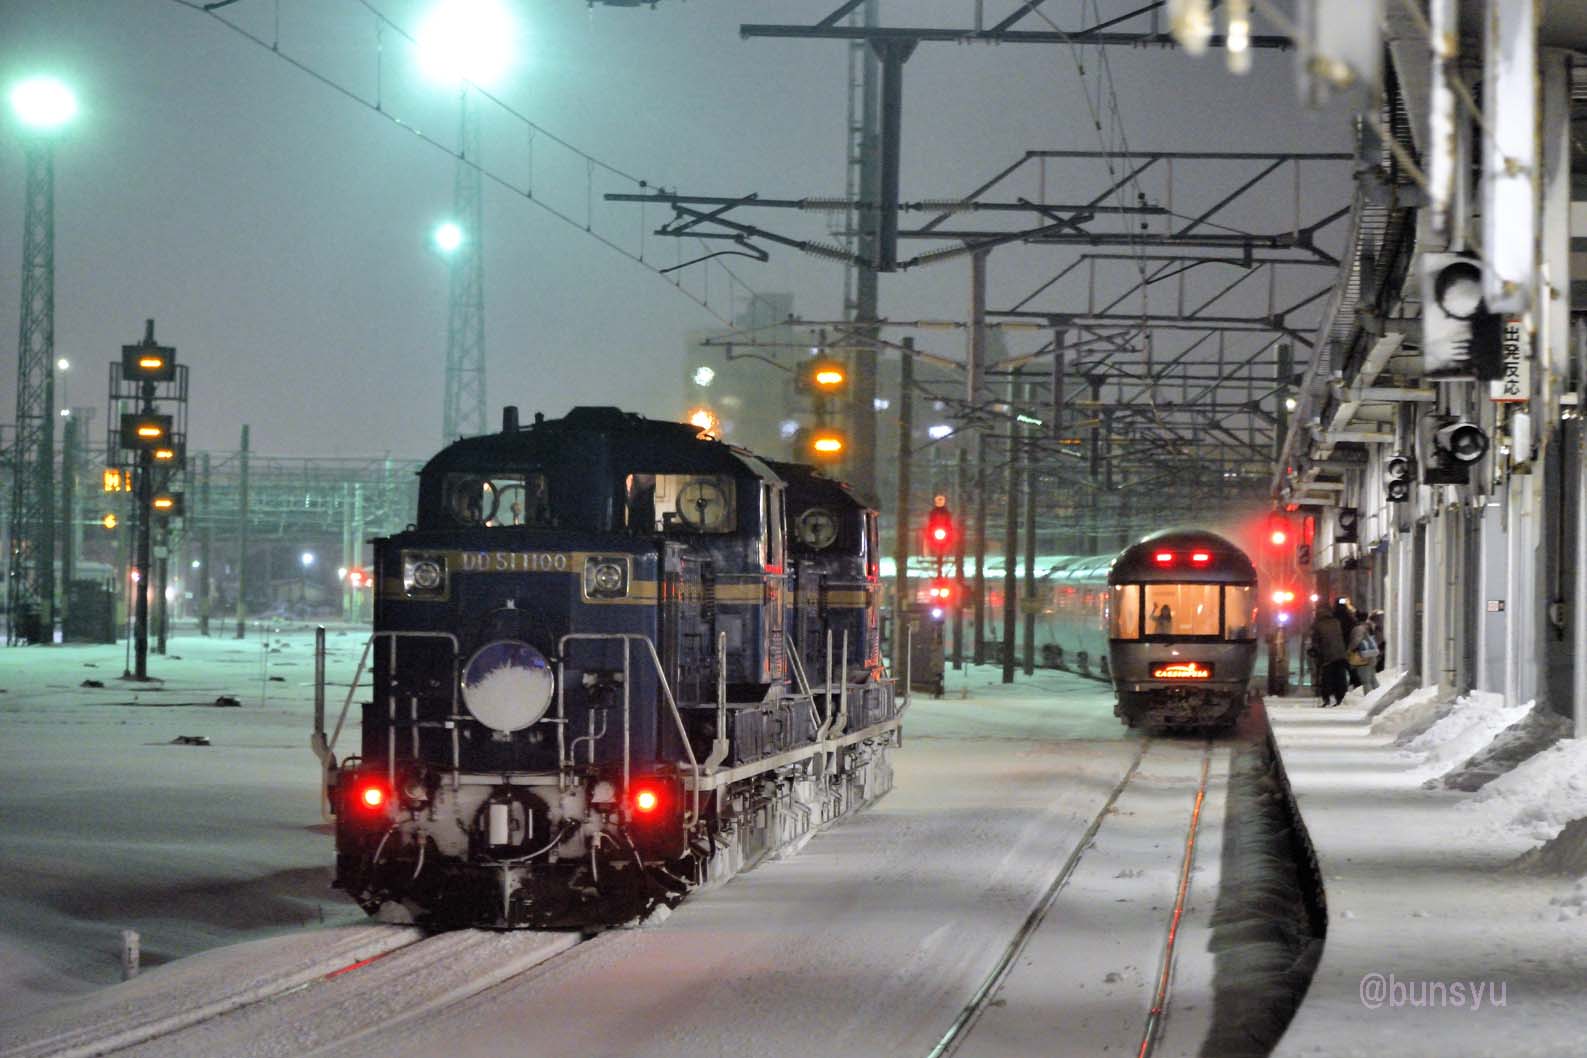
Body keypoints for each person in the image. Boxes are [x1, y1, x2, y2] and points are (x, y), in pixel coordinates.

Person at [1310, 602, 1350, 706]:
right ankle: (1340, 698)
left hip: (1328, 656)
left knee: (1326, 678)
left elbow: (1316, 641)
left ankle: (1326, 699)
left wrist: (1315, 652)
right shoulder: (1336, 622)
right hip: (1341, 655)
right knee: (1340, 677)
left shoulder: (1318, 625)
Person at [1347, 617, 1380, 693]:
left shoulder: (1359, 629)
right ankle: (1378, 696)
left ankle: (1369, 699)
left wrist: (1349, 650)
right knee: (1372, 679)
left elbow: (1356, 642)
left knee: (1366, 681)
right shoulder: (1367, 628)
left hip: (1363, 658)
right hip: (1370, 656)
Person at [1368, 610, 1387, 674]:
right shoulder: (1372, 625)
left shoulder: (1376, 625)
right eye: (1379, 617)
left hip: (1380, 643)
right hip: (1379, 643)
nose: (1381, 619)